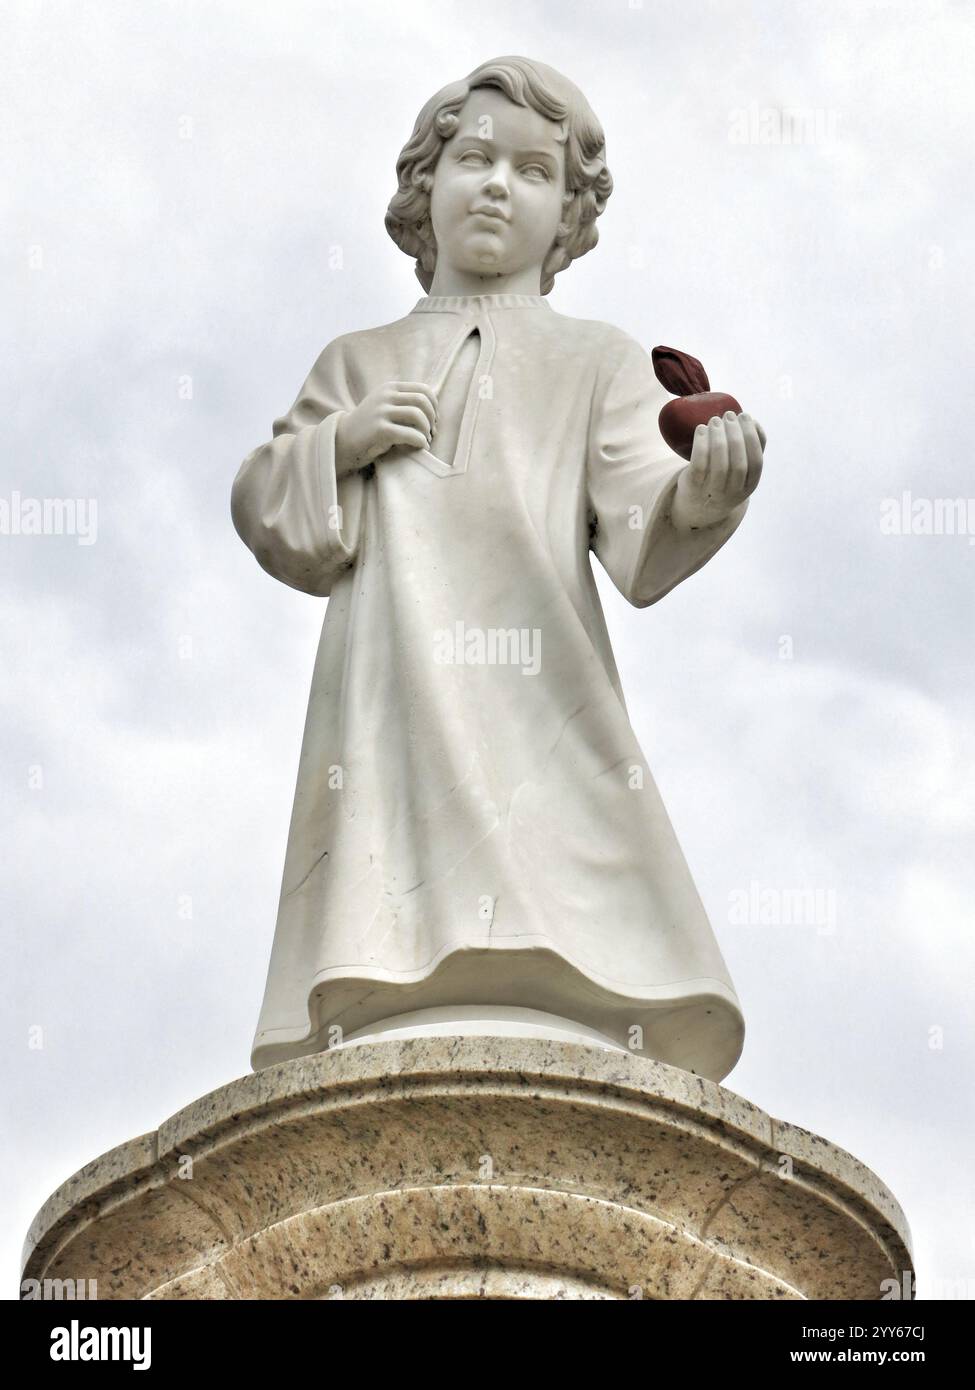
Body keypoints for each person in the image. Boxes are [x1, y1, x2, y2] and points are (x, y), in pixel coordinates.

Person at [231, 55, 766, 1081]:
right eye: (473, 156)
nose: (495, 184)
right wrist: (340, 444)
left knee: (553, 805)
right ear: (423, 185)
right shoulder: (360, 359)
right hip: (393, 681)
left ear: (568, 213)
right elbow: (267, 503)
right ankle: (391, 962)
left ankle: (571, 972)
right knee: (389, 824)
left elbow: (642, 523)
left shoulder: (598, 359)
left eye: (532, 171)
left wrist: (706, 492)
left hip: (543, 674)